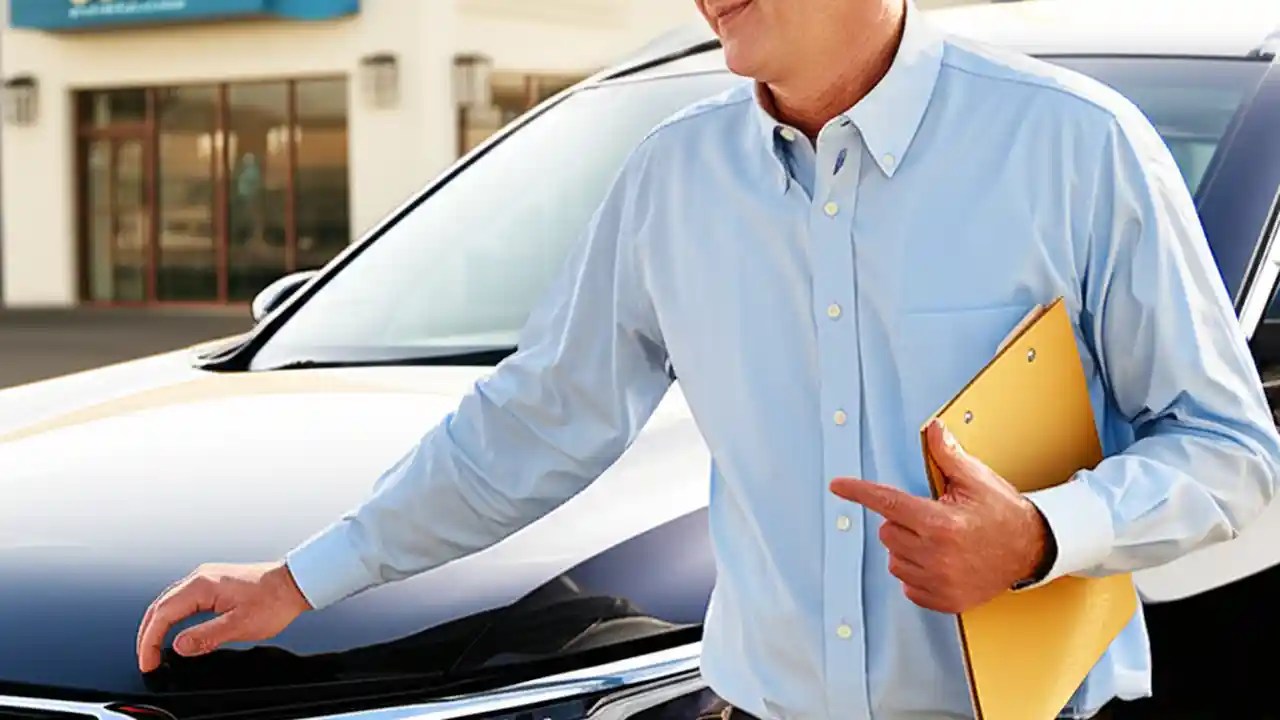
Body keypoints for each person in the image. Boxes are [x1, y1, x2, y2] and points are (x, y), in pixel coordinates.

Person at [135, 0, 1280, 717]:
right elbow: (534, 421)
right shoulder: (670, 180)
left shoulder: (1073, 146)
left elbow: (1230, 452)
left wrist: (1038, 535)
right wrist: (298, 579)